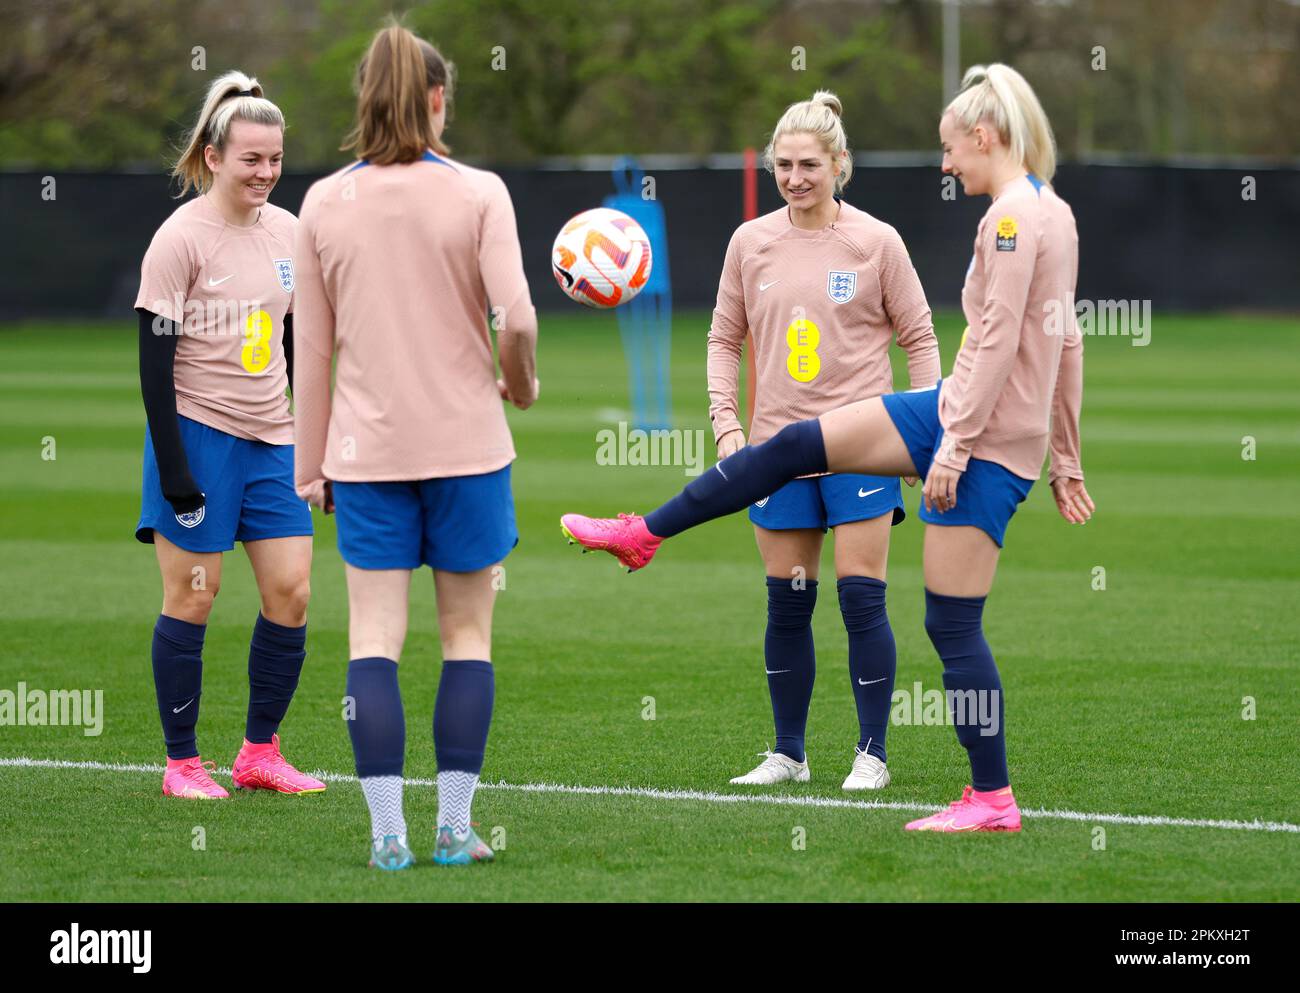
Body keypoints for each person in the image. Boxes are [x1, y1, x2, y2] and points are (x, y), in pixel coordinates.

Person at [562, 64, 1094, 833]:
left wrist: (953, 448)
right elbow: (1067, 340)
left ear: (984, 136)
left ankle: (989, 798)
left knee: (949, 622)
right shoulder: (1056, 210)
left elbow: (1008, 337)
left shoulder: (1009, 219)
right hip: (955, 417)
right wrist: (1066, 455)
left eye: (950, 150)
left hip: (975, 435)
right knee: (793, 446)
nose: (946, 166)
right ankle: (643, 533)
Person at [293, 23, 538, 869]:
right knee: (467, 635)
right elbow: (521, 320)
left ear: (363, 96)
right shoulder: (479, 192)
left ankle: (386, 833)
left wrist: (308, 466)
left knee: (373, 638)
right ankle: (452, 827)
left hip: (364, 458)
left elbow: (312, 353)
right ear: (438, 100)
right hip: (469, 448)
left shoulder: (322, 202)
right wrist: (523, 382)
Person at [706, 91, 939, 790]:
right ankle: (789, 752)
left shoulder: (876, 241)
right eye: (784, 164)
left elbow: (921, 338)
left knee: (861, 598)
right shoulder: (750, 242)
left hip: (862, 445)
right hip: (778, 451)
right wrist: (728, 428)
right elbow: (724, 339)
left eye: (810, 163)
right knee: (788, 602)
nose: (795, 176)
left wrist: (927, 432)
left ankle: (872, 752)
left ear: (841, 164)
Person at [135, 71, 323, 800]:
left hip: (273, 441)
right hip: (197, 436)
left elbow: (301, 341)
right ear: (214, 156)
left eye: (274, 159)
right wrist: (176, 468)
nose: (266, 173)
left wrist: (314, 442)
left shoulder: (290, 231)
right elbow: (153, 364)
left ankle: (258, 753)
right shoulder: (180, 238)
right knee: (194, 594)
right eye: (251, 159)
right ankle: (182, 763)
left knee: (292, 593)